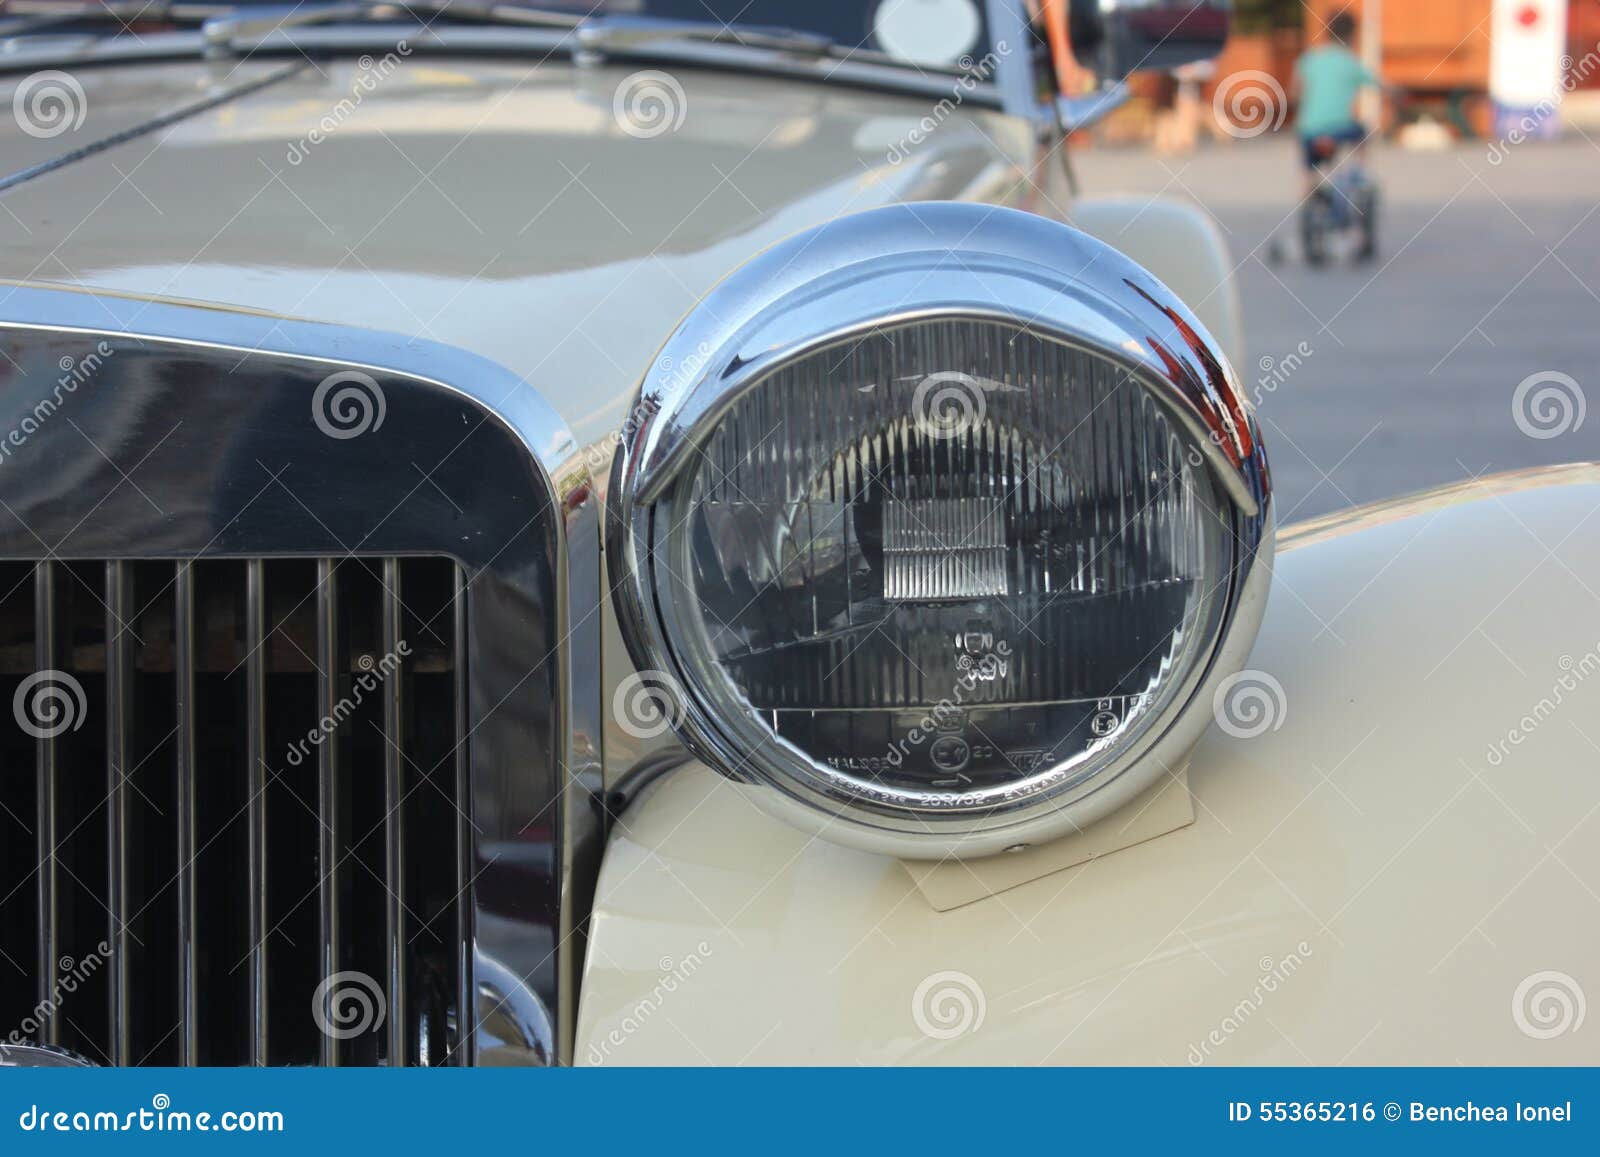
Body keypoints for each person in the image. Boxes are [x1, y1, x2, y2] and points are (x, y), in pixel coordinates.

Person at [1291, 13, 1380, 194]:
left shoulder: (1309, 59)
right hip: (1340, 127)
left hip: (1310, 129)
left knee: (1309, 162)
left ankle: (1308, 186)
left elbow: (1294, 92)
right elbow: (1378, 84)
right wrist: (1399, 96)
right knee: (1362, 133)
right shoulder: (1349, 61)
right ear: (1352, 34)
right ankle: (1358, 174)